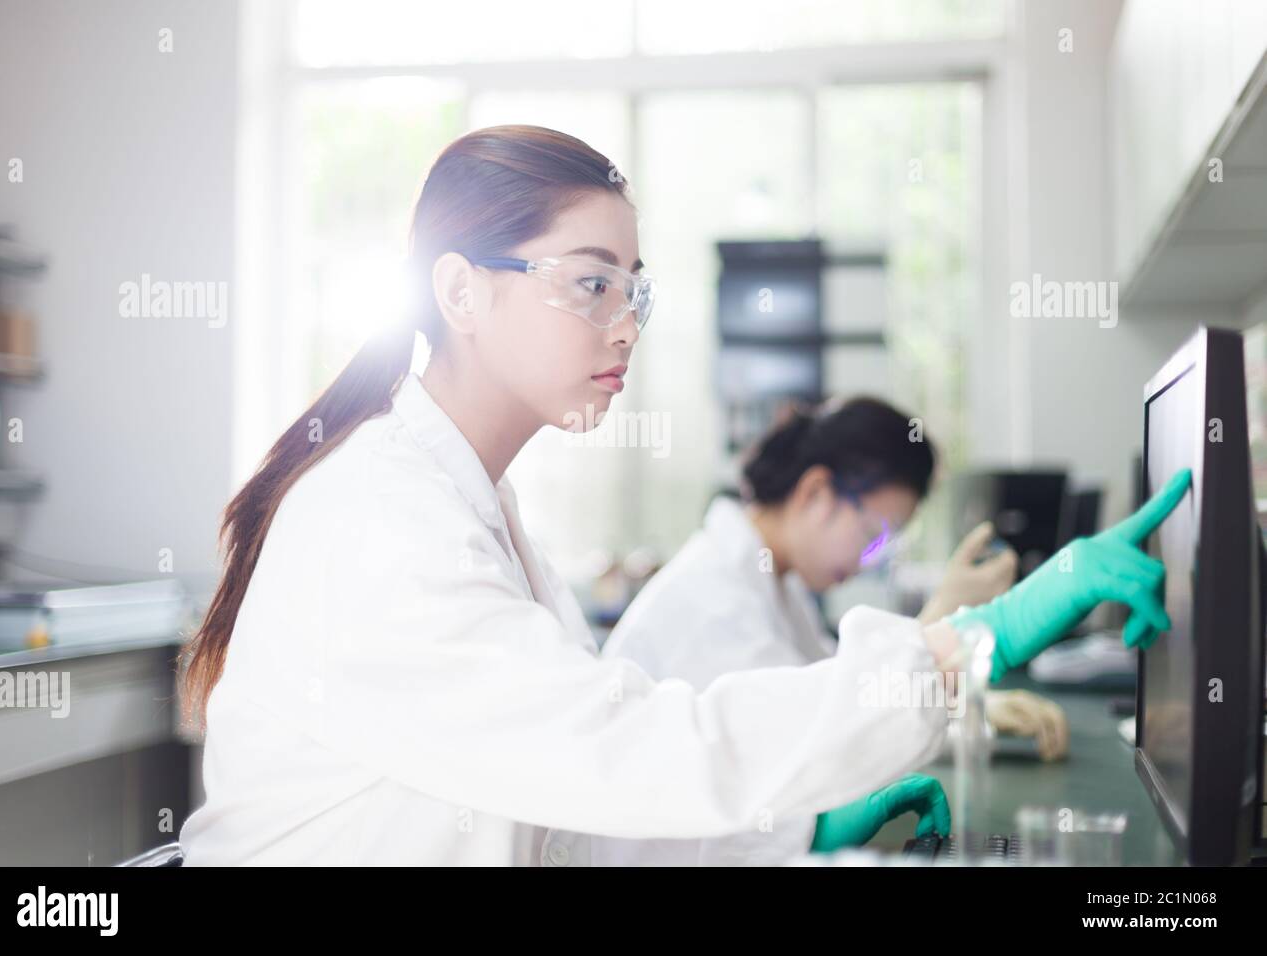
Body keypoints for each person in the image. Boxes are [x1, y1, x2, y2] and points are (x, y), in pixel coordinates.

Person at [176, 124, 1189, 865]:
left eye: (635, 288)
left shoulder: (471, 503)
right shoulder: (382, 517)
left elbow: (564, 809)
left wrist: (796, 828)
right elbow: (632, 750)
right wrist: (976, 636)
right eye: (589, 282)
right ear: (459, 291)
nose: (625, 324)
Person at [588, 400, 1064, 865]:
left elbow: (842, 690)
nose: (868, 561)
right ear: (816, 492)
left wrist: (963, 707)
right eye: (875, 536)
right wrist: (943, 620)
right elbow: (823, 737)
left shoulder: (776, 584)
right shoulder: (715, 603)